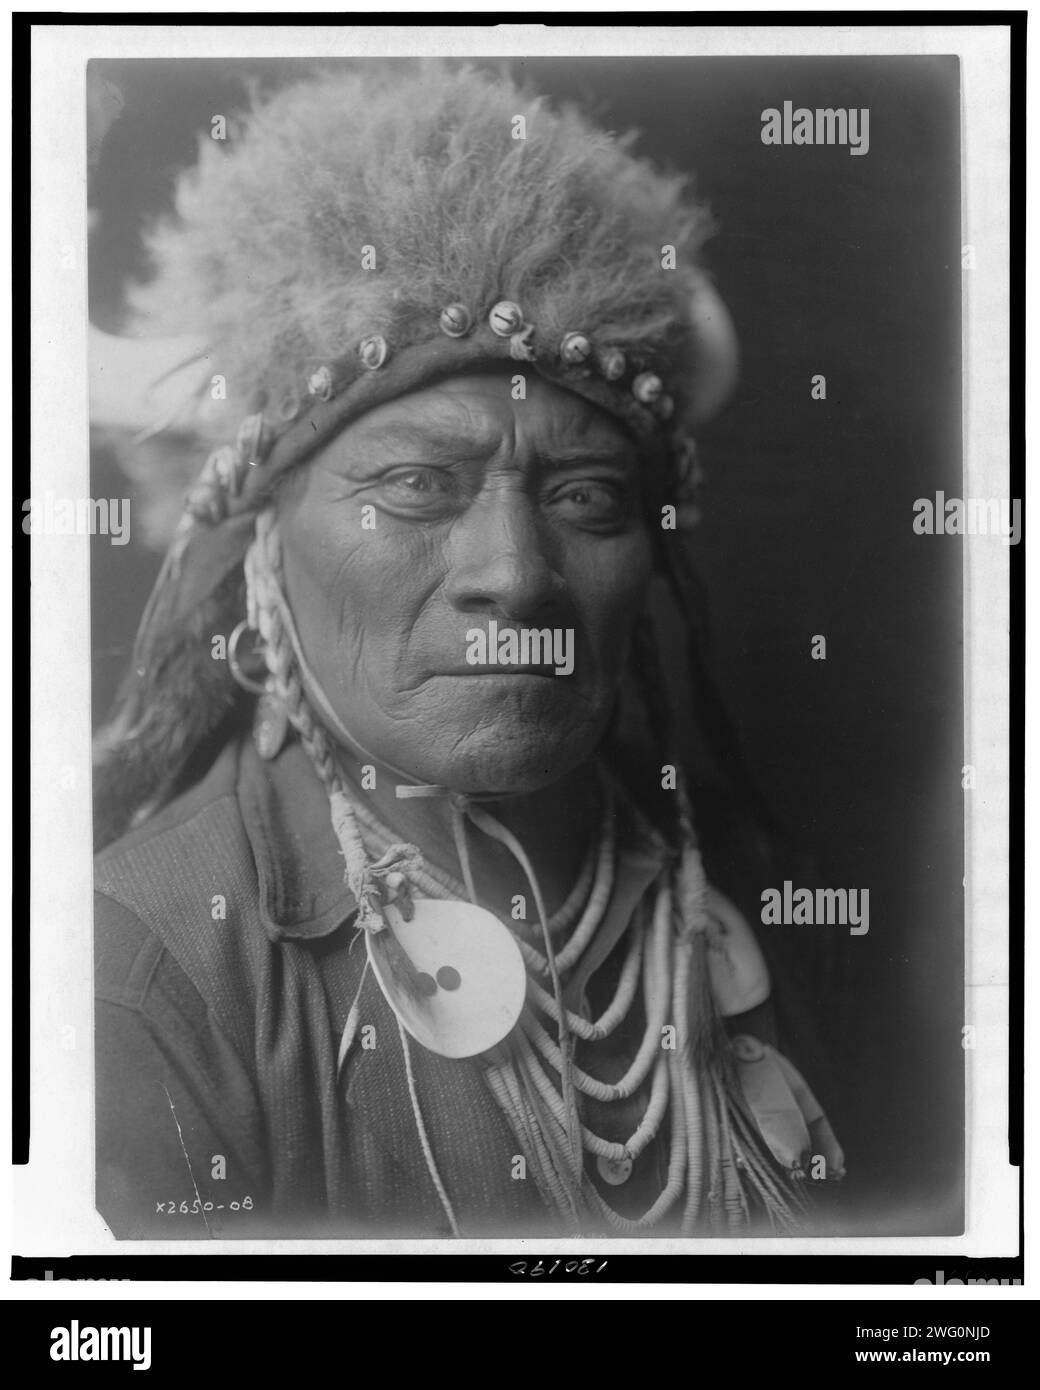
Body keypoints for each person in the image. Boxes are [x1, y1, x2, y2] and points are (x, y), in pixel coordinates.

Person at [92, 62, 843, 1239]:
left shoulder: (707, 891)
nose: (518, 569)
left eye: (587, 498)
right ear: (259, 552)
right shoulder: (135, 967)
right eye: (412, 486)